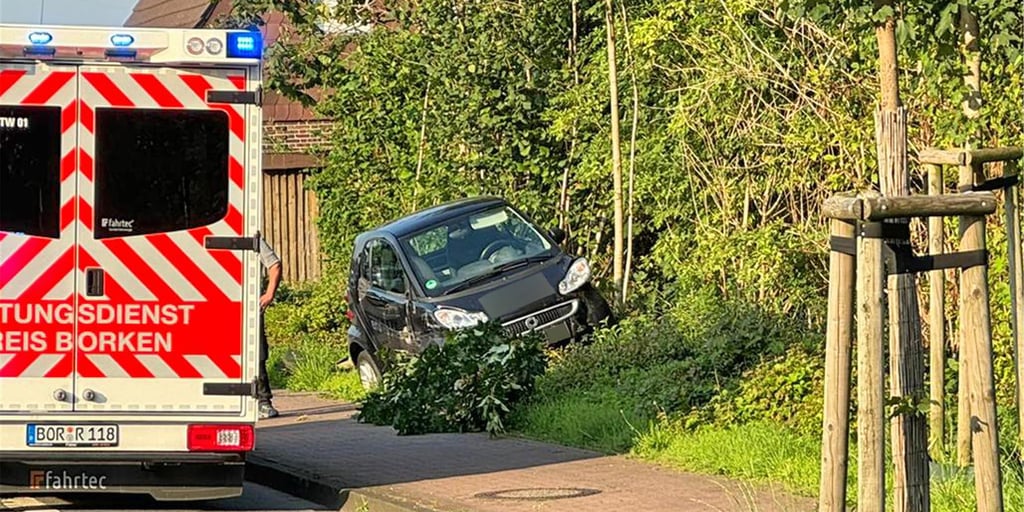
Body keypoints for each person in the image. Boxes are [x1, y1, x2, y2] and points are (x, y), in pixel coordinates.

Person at [257, 238, 282, 419]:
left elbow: (274, 264)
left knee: (257, 355)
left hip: (248, 307)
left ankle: (263, 401)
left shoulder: (251, 236)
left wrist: (268, 294)